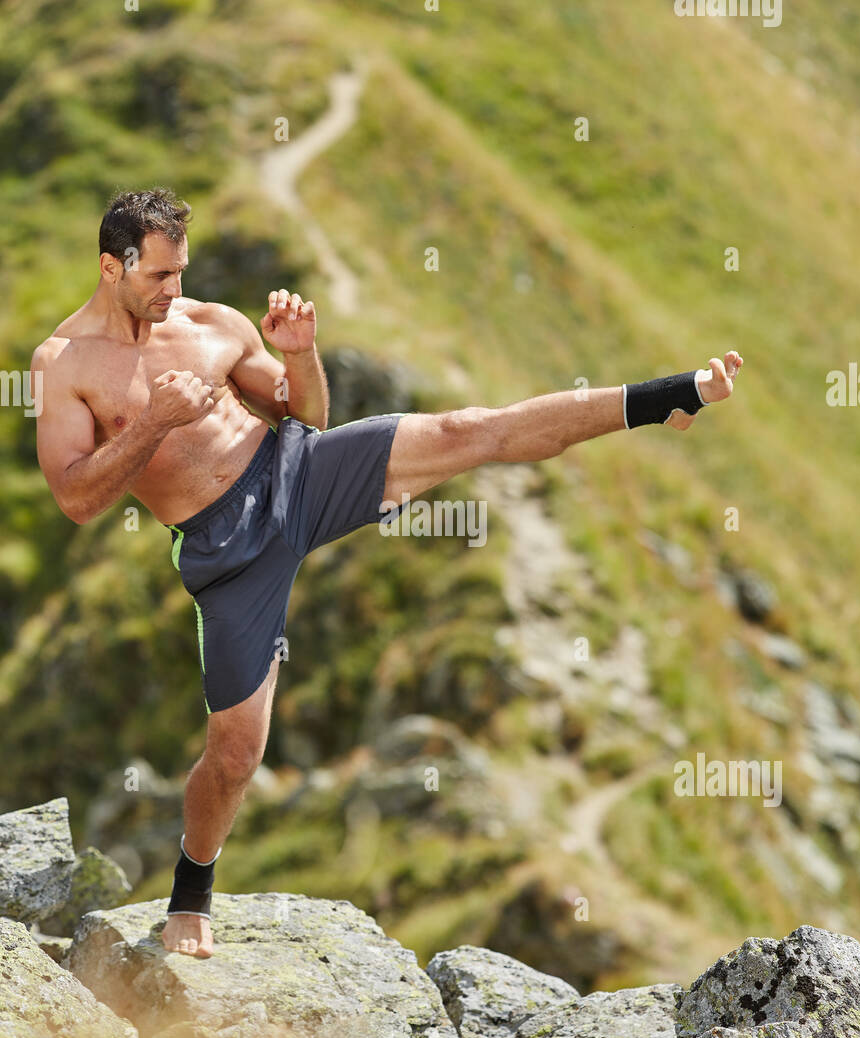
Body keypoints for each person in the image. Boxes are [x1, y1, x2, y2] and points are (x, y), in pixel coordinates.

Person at [31, 188, 743, 957]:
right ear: (112, 266)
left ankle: (668, 398)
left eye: (181, 273)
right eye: (159, 276)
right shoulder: (63, 364)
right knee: (236, 752)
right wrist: (156, 422)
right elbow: (76, 497)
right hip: (226, 546)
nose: (174, 292)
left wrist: (300, 353)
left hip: (298, 472)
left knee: (473, 429)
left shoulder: (214, 325)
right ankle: (191, 894)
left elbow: (306, 417)